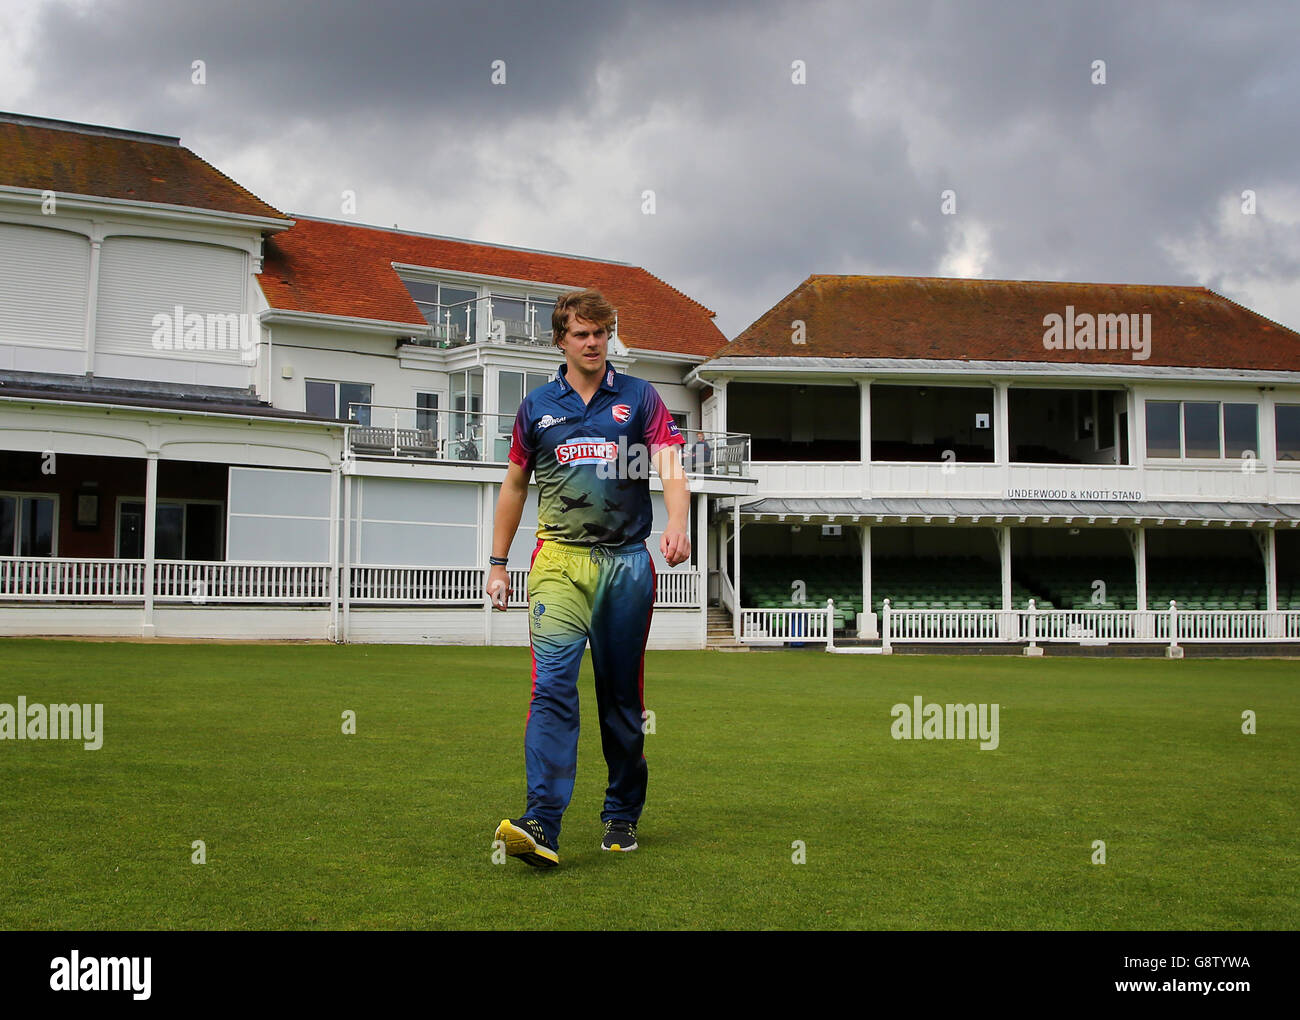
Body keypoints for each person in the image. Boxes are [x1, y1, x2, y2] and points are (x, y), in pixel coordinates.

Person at [486, 288, 690, 868]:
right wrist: (498, 563)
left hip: (625, 563)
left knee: (620, 700)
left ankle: (622, 811)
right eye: (582, 333)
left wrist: (677, 520)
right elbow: (514, 486)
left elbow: (670, 465)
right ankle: (541, 823)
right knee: (551, 688)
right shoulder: (536, 408)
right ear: (561, 340)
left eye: (602, 332)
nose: (594, 342)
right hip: (556, 562)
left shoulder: (640, 398)